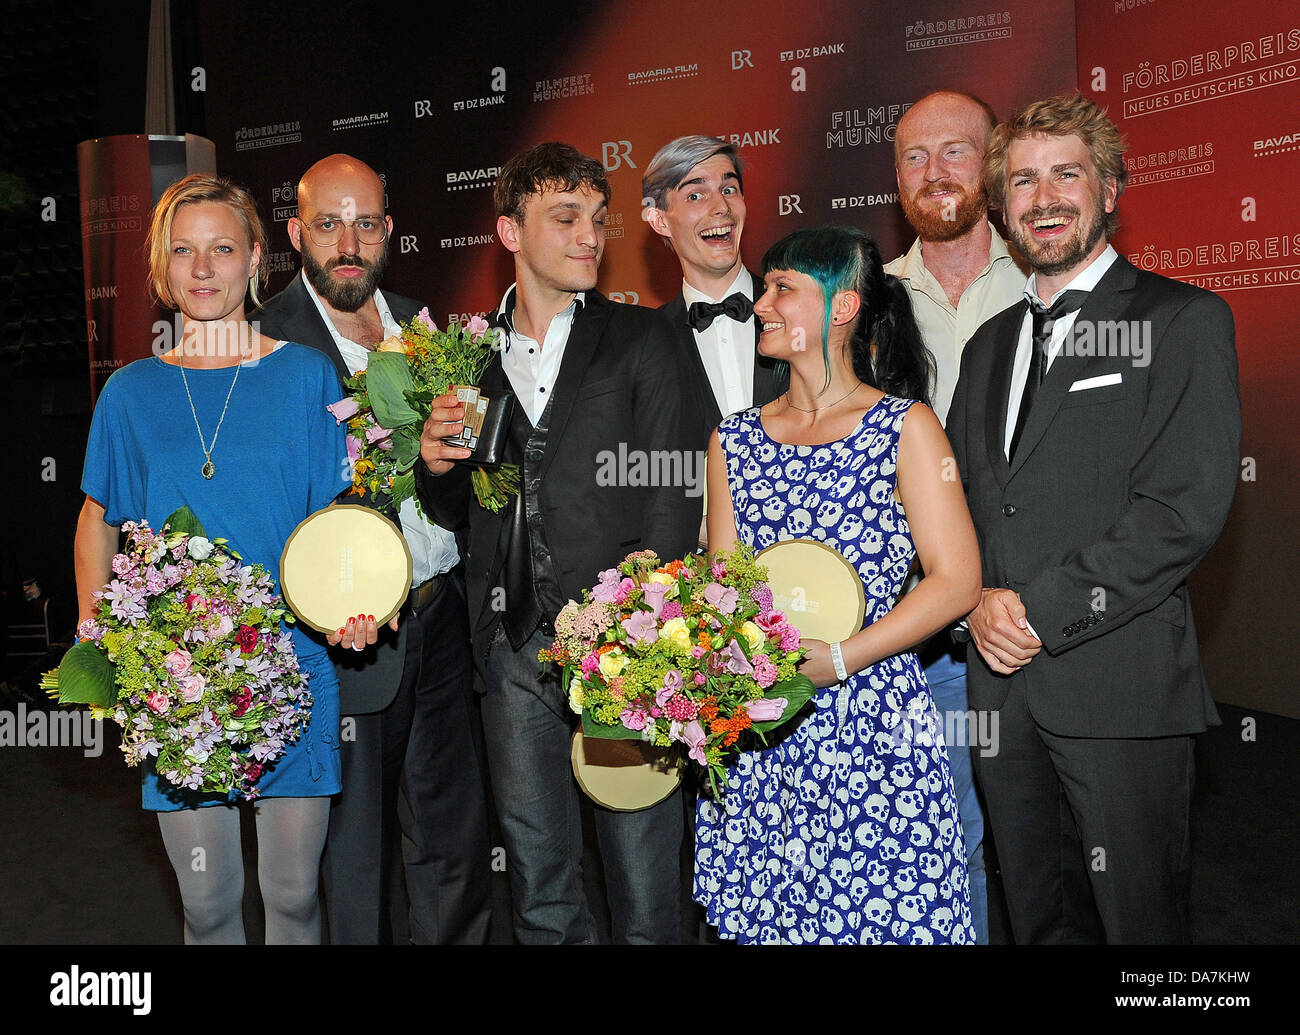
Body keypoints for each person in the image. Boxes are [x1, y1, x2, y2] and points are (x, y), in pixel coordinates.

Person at [946, 93, 1241, 943]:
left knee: (1138, 924)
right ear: (1001, 209)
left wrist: (1031, 610)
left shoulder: (1182, 320)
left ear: (1109, 188)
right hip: (998, 688)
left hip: (1121, 686)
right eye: (1024, 181)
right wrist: (971, 598)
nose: (1044, 199)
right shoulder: (989, 344)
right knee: (1037, 916)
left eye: (1066, 174)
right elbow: (964, 500)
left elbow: (1179, 513)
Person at [415, 142, 699, 943]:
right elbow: (453, 504)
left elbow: (674, 490)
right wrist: (433, 465)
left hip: (624, 649)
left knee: (645, 885)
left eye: (598, 221)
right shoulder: (464, 358)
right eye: (565, 218)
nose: (589, 237)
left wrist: (652, 633)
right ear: (509, 230)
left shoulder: (641, 339)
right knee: (541, 884)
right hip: (509, 652)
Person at [74, 173, 360, 944]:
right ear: (160, 270)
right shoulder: (128, 395)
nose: (203, 269)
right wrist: (98, 633)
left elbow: (340, 523)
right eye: (183, 251)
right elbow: (96, 523)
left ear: (257, 259)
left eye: (223, 249)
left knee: (294, 897)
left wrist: (355, 602)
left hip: (293, 668)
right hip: (178, 682)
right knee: (207, 906)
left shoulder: (307, 378)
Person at [695, 225, 983, 944]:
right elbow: (723, 591)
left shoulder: (905, 427)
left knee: (883, 918)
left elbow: (956, 581)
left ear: (843, 306)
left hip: (875, 720)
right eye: (765, 288)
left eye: (782, 289)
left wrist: (846, 658)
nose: (761, 304)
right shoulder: (731, 440)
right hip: (762, 729)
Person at [255, 154, 492, 945]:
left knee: (455, 845)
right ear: (296, 234)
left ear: (389, 230)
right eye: (328, 224)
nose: (347, 242)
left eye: (365, 223)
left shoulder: (425, 327)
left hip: (444, 623)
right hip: (343, 643)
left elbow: (453, 489)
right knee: (353, 866)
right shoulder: (264, 347)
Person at [884, 90, 1029, 944]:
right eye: (912, 156)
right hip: (927, 631)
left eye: (956, 152)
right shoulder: (866, 302)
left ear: (995, 161)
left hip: (1036, 622)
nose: (933, 173)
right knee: (947, 845)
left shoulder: (1049, 279)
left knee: (1058, 853)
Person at [641, 136, 787, 458]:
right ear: (660, 220)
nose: (721, 207)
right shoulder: (644, 343)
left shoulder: (801, 311)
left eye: (729, 189)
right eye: (695, 195)